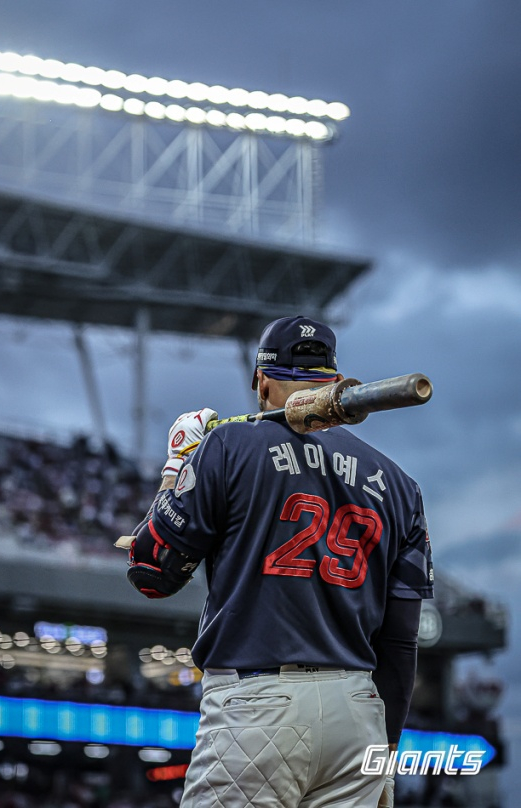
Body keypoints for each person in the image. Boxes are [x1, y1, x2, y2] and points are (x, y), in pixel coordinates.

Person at [125, 315, 434, 808]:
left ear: (260, 381)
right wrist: (386, 753)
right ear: (334, 381)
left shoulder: (227, 445)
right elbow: (399, 641)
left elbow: (151, 573)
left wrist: (177, 465)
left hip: (256, 706)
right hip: (359, 715)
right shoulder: (401, 486)